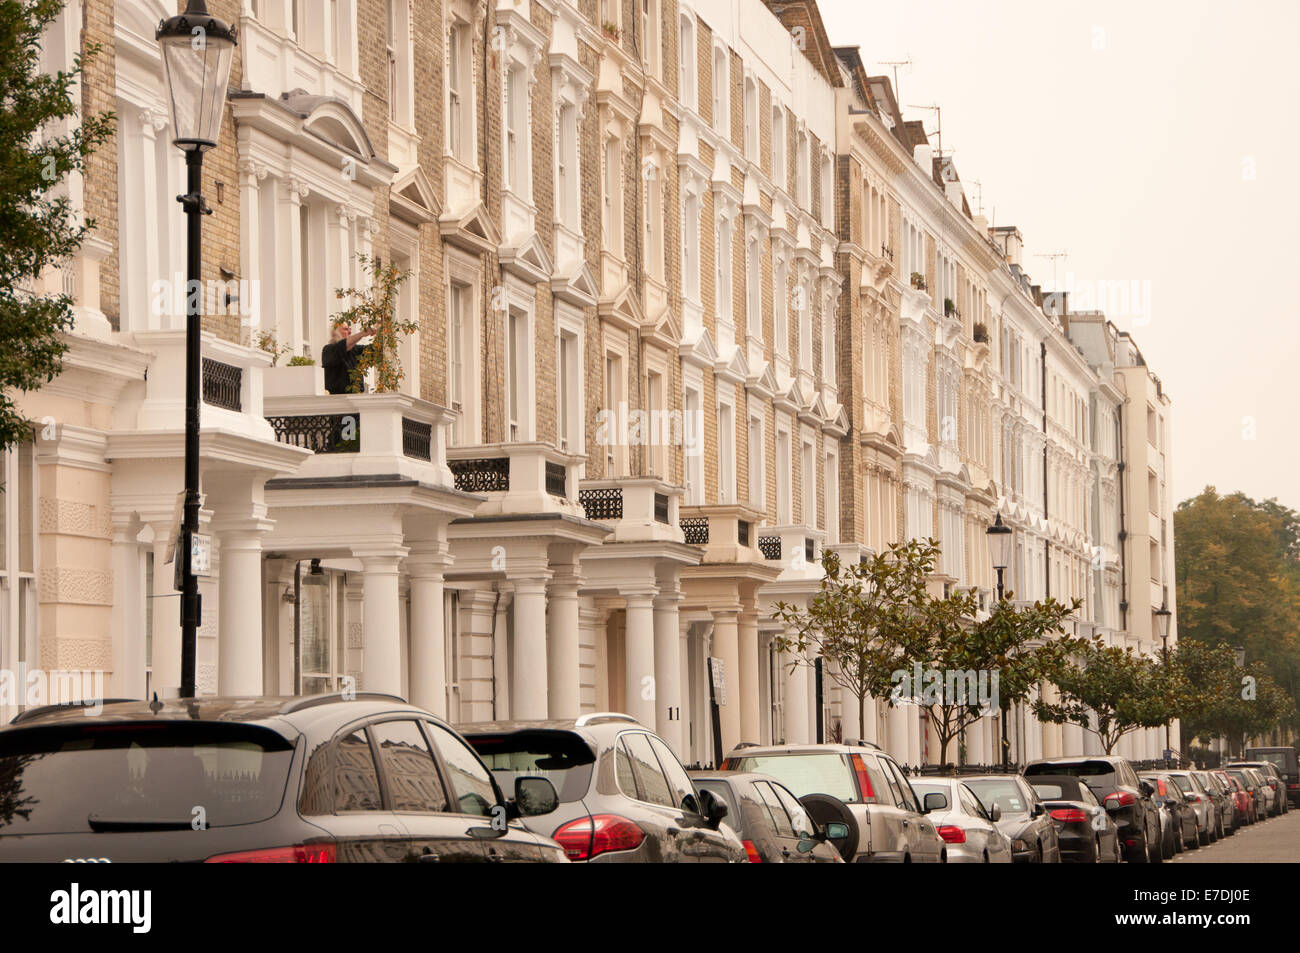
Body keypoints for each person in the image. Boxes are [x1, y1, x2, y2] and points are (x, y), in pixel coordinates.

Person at [321, 322, 369, 394]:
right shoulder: (329, 350)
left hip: (357, 398)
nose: (350, 332)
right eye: (346, 329)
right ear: (335, 333)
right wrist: (362, 334)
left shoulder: (356, 350)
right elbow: (343, 346)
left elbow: (375, 350)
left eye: (350, 329)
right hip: (337, 400)